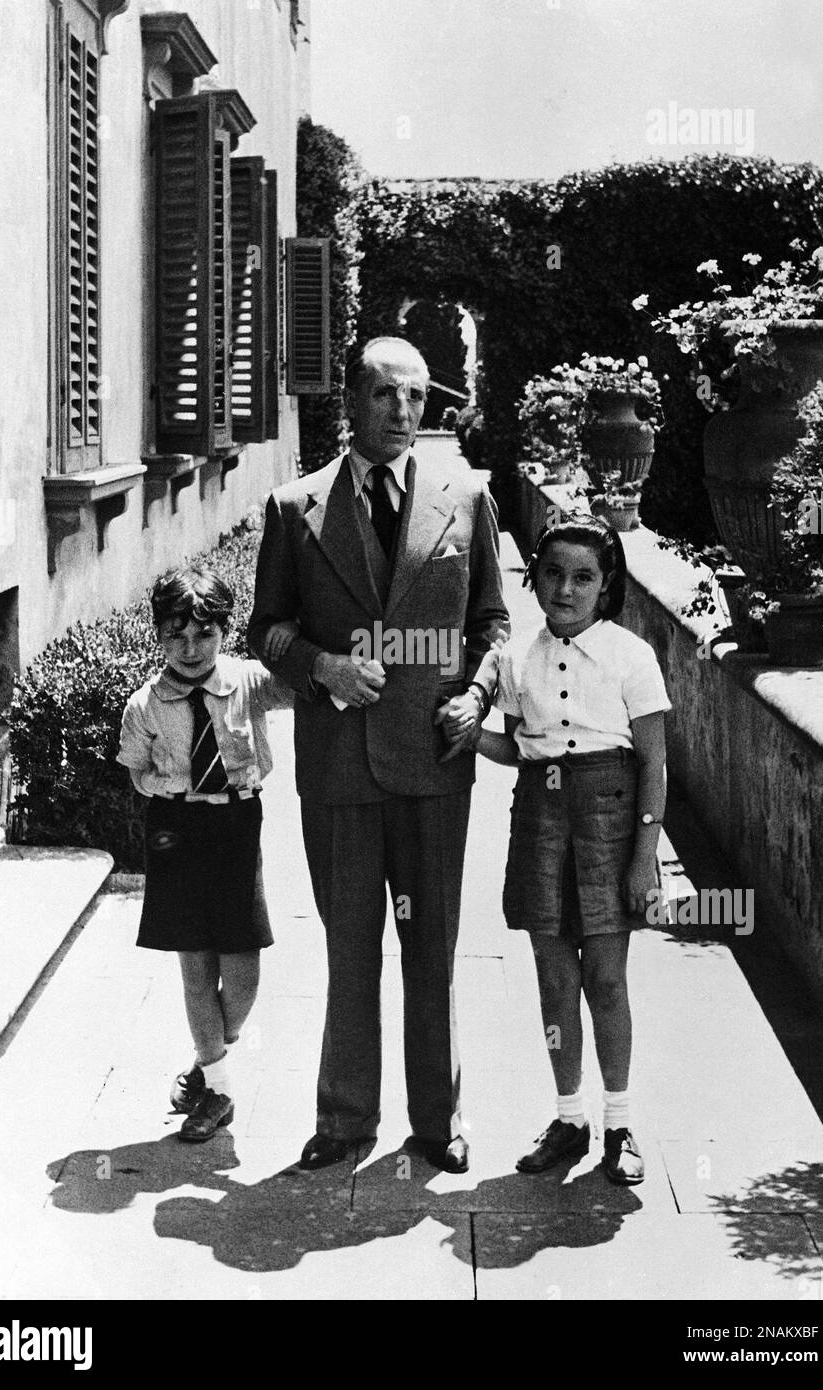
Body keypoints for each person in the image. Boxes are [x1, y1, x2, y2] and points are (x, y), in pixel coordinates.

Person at [248, 336, 509, 1174]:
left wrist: (477, 693)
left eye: (417, 398)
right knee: (349, 949)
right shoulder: (295, 509)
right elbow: (265, 629)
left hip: (434, 759)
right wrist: (319, 665)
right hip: (338, 767)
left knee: (430, 952)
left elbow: (492, 626)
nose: (404, 414)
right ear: (353, 402)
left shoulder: (467, 498)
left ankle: (438, 1121)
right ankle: (343, 1118)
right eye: (387, 396)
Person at [455, 514, 669, 1184]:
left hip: (610, 820)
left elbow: (655, 765)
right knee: (554, 980)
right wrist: (465, 735)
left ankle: (620, 1122)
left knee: (605, 979)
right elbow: (515, 747)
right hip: (541, 822)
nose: (566, 589)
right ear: (534, 578)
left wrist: (643, 856)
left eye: (583, 577)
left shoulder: (631, 655)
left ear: (604, 588)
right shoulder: (518, 658)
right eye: (552, 573)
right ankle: (569, 1117)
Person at [117, 567, 293, 1142]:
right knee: (195, 962)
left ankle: (205, 1061)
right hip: (175, 829)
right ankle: (219, 1092)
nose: (190, 650)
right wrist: (161, 788)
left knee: (242, 963)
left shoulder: (249, 680)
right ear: (158, 636)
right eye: (176, 636)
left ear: (225, 631)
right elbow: (136, 772)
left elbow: (304, 682)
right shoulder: (144, 704)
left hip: (237, 821)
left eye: (204, 635)